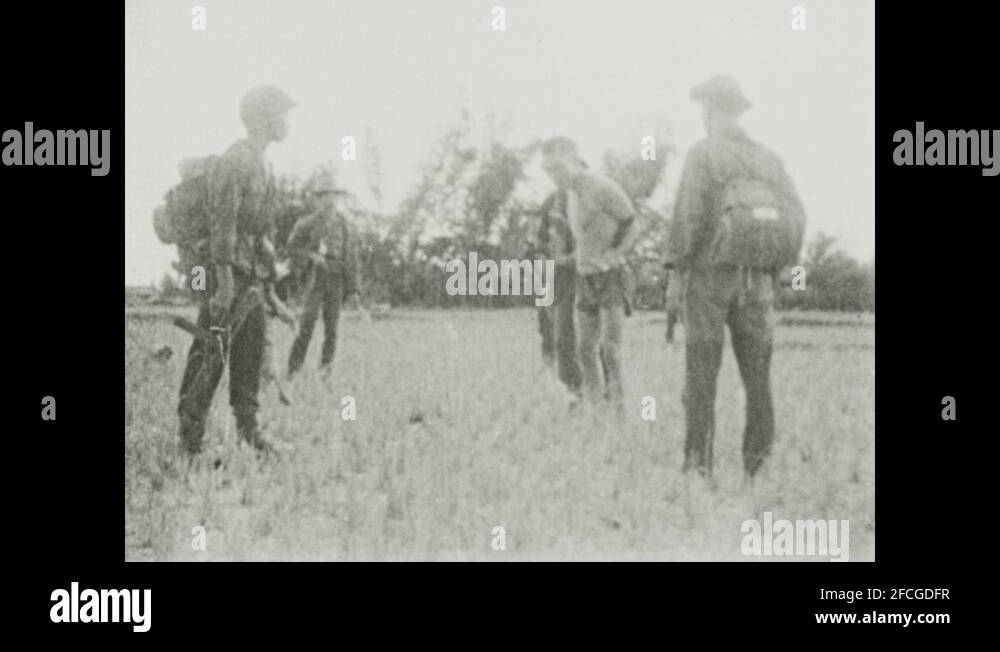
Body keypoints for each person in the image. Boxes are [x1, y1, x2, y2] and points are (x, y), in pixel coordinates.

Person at [667, 74, 806, 479]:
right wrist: (775, 267)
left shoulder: (703, 153)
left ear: (709, 110)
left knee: (701, 378)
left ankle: (698, 469)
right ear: (739, 111)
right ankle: (757, 472)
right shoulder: (768, 158)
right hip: (757, 283)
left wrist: (676, 275)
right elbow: (796, 216)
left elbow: (687, 217)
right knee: (759, 381)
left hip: (708, 280)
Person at [176, 85, 297, 457]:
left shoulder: (265, 166)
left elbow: (263, 236)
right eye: (282, 113)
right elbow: (222, 224)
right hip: (226, 274)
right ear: (264, 118)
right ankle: (190, 440)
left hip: (253, 279)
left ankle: (249, 432)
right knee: (211, 355)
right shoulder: (235, 160)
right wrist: (225, 281)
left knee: (249, 355)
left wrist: (271, 290)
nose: (287, 122)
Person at [541, 137, 638, 413]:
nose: (553, 175)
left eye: (557, 168)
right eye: (547, 170)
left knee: (610, 350)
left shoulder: (603, 187)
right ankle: (597, 412)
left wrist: (615, 255)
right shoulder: (569, 195)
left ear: (574, 159)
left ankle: (619, 410)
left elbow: (632, 225)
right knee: (584, 349)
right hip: (584, 279)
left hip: (610, 278)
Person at [285, 170, 363, 378]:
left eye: (334, 195)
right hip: (315, 277)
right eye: (326, 195)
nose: (331, 200)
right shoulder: (307, 223)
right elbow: (291, 248)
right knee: (306, 325)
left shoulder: (346, 226)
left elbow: (352, 259)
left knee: (332, 329)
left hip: (336, 279)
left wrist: (353, 289)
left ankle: (325, 372)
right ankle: (293, 370)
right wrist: (311, 256)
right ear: (318, 198)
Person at [533, 189, 583, 398]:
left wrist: (567, 259)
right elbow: (540, 243)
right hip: (551, 277)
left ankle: (577, 390)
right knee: (548, 334)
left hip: (577, 277)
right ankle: (561, 387)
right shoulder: (550, 201)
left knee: (568, 336)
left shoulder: (583, 199)